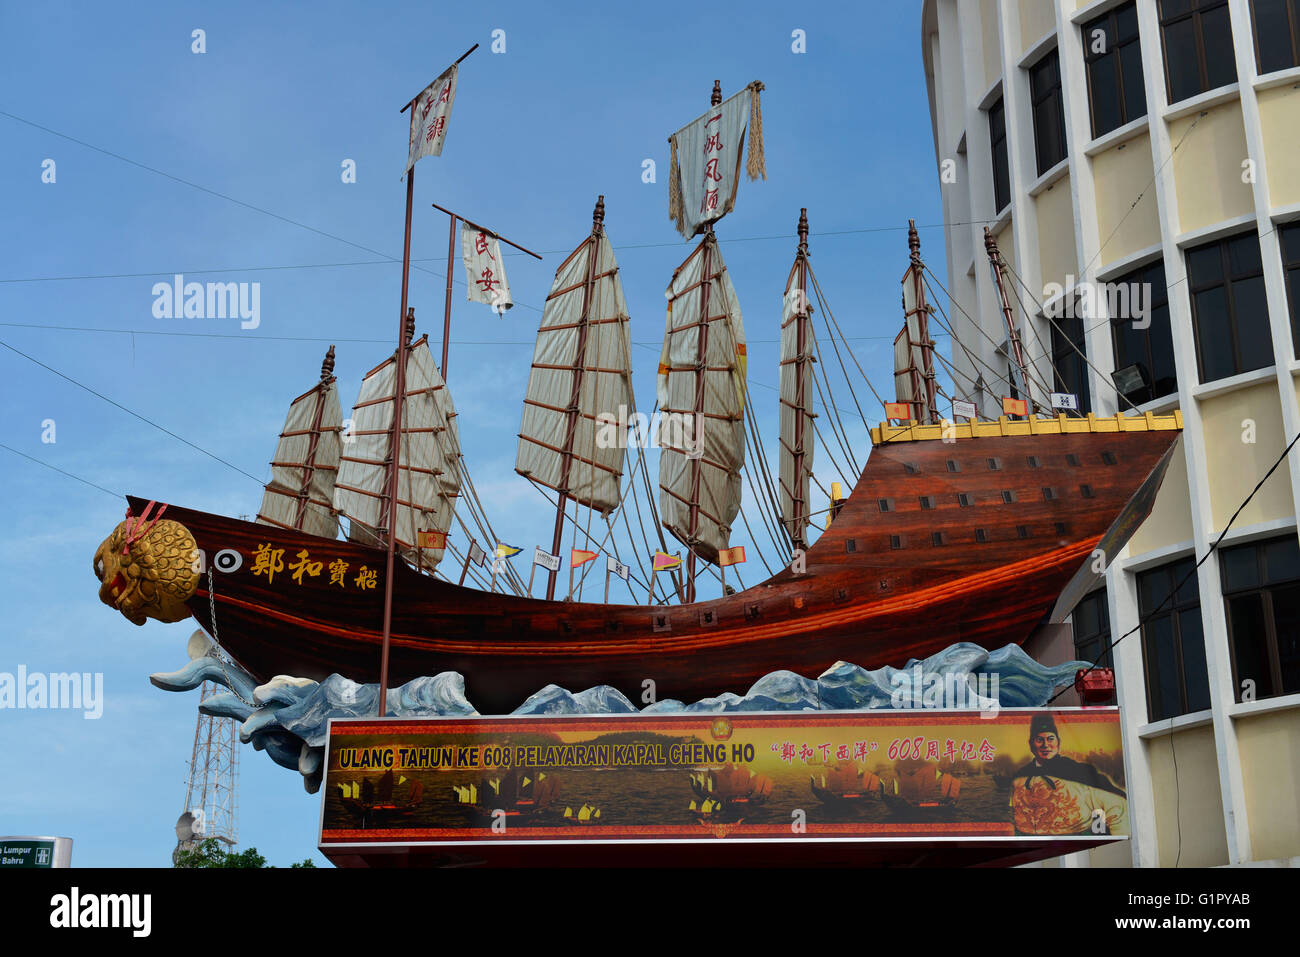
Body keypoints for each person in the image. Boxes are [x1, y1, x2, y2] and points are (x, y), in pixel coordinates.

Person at [1009, 713, 1127, 836]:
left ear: (1058, 743)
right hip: (1029, 842)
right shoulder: (1020, 775)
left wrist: (1106, 838)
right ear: (1031, 744)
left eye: (1050, 739)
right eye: (1039, 739)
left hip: (1076, 839)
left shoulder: (1079, 771)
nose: (1045, 745)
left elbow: (1117, 805)